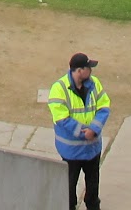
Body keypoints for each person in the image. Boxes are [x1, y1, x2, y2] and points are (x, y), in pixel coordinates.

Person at [47, 52, 110, 210]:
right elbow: (61, 119)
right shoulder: (59, 89)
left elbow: (104, 107)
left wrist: (94, 129)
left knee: (93, 186)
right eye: (89, 68)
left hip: (92, 149)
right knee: (69, 188)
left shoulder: (94, 83)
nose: (91, 71)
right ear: (80, 71)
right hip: (71, 152)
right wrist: (84, 132)